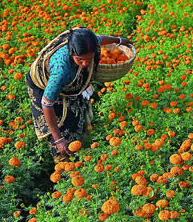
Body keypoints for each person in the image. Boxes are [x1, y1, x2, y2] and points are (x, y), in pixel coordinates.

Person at [26, 27, 133, 160]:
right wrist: (59, 140)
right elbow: (46, 105)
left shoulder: (87, 43)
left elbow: (101, 39)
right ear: (71, 53)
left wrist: (120, 40)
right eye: (81, 60)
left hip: (64, 80)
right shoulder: (61, 71)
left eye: (90, 59)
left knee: (76, 108)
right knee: (60, 124)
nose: (85, 64)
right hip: (42, 84)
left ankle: (81, 138)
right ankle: (62, 160)